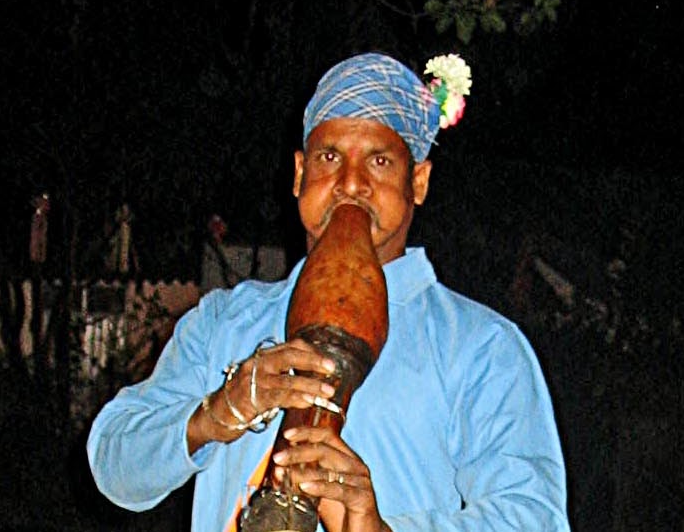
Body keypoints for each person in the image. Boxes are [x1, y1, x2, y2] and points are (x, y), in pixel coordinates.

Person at [87, 52, 570, 532]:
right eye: (329, 157)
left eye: (379, 161)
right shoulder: (225, 321)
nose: (351, 184)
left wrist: (378, 529)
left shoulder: (480, 346)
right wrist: (215, 414)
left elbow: (534, 520)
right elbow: (112, 467)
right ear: (299, 174)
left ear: (418, 182)